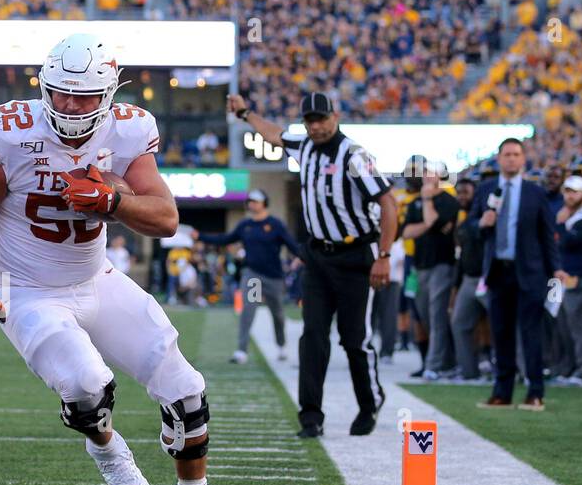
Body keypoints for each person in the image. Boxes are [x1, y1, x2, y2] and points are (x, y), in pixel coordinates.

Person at [0, 32, 246, 485]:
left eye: (82, 95)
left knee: (186, 389)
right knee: (88, 385)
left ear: (108, 94)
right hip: (27, 290)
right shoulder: (8, 131)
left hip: (98, 279)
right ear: (42, 86)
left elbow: (166, 218)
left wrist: (113, 202)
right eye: (59, 91)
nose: (68, 104)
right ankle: (106, 447)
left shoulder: (129, 132)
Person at [229, 91, 397, 437]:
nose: (317, 126)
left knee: (355, 339)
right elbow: (274, 134)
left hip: (355, 256)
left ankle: (369, 403)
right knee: (313, 338)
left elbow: (388, 203)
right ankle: (311, 416)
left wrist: (383, 256)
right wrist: (246, 113)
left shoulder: (354, 155)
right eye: (310, 120)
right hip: (318, 258)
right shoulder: (304, 146)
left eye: (322, 119)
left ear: (335, 117)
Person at [473, 137, 565, 411]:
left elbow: (548, 235)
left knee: (531, 334)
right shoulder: (486, 189)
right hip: (498, 271)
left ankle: (535, 392)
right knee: (501, 334)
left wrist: (555, 269)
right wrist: (481, 223)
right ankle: (502, 392)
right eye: (506, 154)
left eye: (516, 154)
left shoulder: (535, 193)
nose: (511, 159)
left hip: (531, 272)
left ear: (523, 159)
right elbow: (469, 230)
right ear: (499, 158)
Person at [193, 188, 302, 364]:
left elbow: (292, 245)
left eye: (255, 201)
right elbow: (226, 239)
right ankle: (241, 350)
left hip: (274, 277)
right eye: (250, 201)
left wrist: (304, 257)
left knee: (278, 314)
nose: (252, 204)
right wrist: (201, 236)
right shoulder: (245, 225)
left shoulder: (275, 224)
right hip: (254, 276)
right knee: (248, 311)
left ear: (264, 203)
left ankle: (281, 345)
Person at [400, 157, 460, 380]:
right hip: (419, 265)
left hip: (442, 264)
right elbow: (405, 232)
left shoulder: (448, 201)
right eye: (424, 172)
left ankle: (434, 366)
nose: (426, 176)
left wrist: (426, 203)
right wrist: (426, 225)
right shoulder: (414, 202)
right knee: (423, 315)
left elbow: (432, 220)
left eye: (431, 172)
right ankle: (443, 361)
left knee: (436, 316)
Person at [550, 174, 582, 387]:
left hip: (579, 278)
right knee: (561, 325)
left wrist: (561, 226)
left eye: (574, 191)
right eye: (567, 191)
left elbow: (570, 244)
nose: (569, 196)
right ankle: (567, 369)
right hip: (559, 279)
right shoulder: (567, 216)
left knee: (578, 326)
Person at [450, 177, 489, 382]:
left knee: (499, 324)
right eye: (459, 192)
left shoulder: (488, 216)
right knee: (459, 323)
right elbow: (463, 256)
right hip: (469, 278)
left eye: (466, 192)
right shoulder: (464, 219)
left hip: (489, 279)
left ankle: (507, 369)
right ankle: (468, 371)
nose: (461, 196)